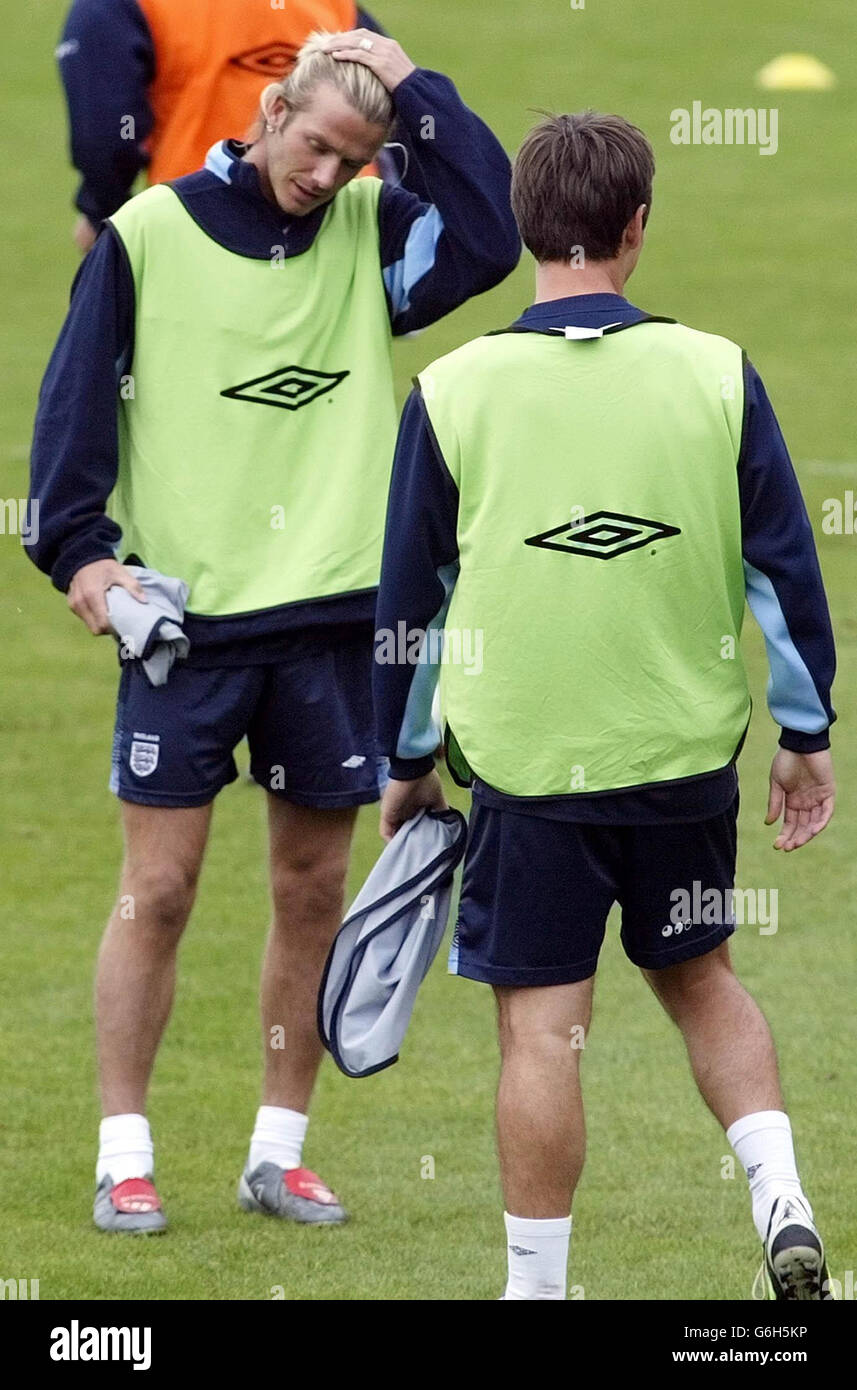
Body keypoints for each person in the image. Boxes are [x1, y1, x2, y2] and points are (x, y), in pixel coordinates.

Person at [28, 30, 520, 1234]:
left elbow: (493, 233)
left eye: (355, 160)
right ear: (270, 111)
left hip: (332, 623)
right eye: (314, 146)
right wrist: (86, 561)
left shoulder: (370, 238)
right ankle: (124, 1154)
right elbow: (70, 430)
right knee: (160, 890)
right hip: (187, 635)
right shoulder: (148, 237)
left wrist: (411, 87)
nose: (326, 176)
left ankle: (279, 1151)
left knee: (311, 890)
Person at [373, 111, 837, 1301]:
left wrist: (407, 756)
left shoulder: (453, 389)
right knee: (703, 980)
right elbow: (782, 572)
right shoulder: (715, 371)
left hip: (529, 773)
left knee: (540, 1029)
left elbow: (413, 605)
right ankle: (779, 1196)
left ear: (529, 229)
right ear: (634, 231)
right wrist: (803, 735)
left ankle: (537, 1290)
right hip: (677, 759)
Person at [57, 0, 405, 252]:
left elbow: (107, 137)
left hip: (197, 232)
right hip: (343, 235)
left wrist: (102, 214)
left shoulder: (116, 8)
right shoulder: (332, 5)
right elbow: (394, 101)